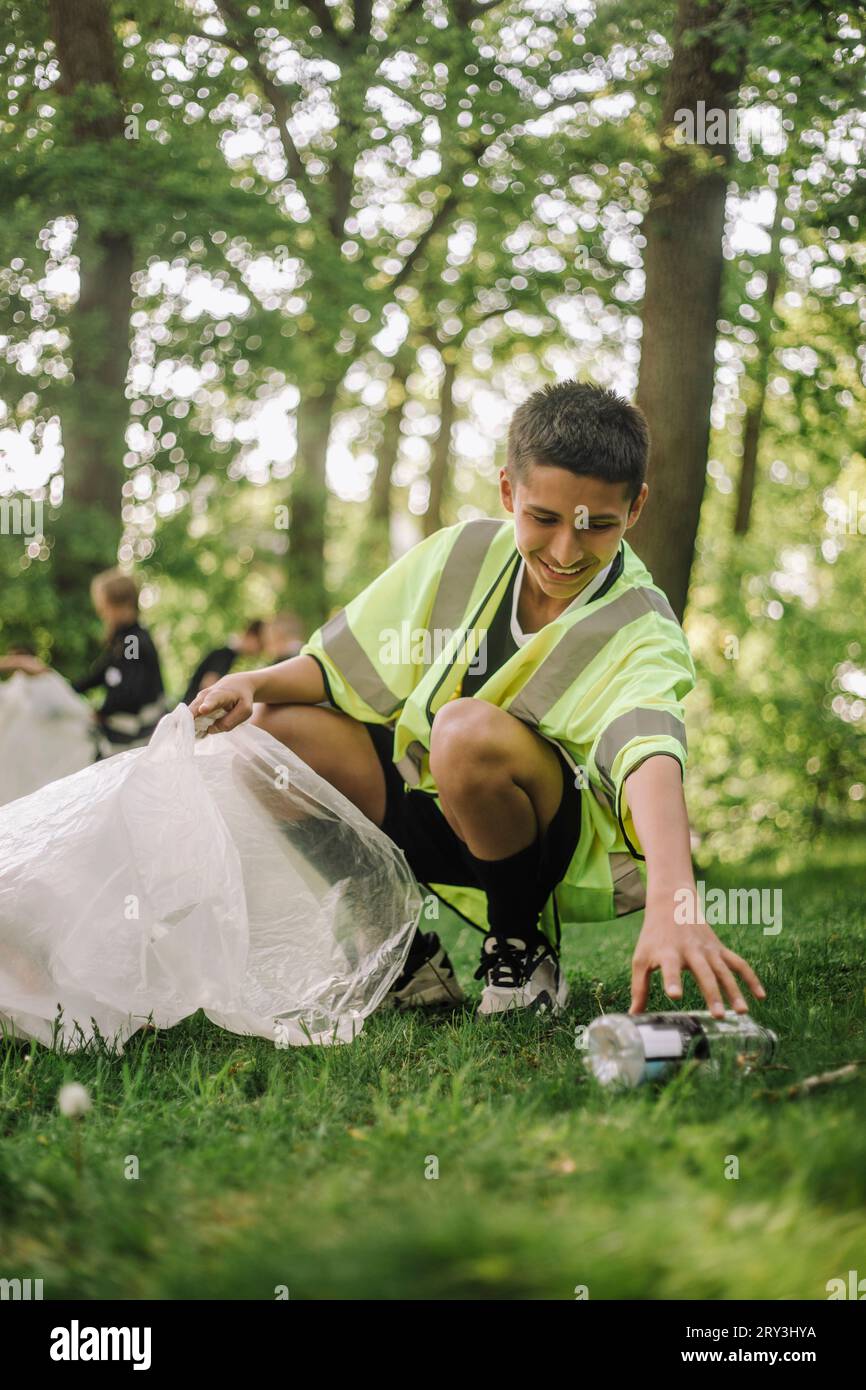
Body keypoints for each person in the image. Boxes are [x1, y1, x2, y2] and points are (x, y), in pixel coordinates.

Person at [190, 381, 766, 1021]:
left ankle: (520, 944)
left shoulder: (642, 628)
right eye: (542, 519)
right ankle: (399, 954)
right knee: (271, 732)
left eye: (596, 526)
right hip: (427, 802)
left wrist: (673, 898)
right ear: (507, 493)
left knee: (461, 730)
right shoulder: (460, 555)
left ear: (635, 509)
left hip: (542, 835)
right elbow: (335, 670)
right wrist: (251, 684)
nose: (564, 552)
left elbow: (649, 754)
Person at [69, 569, 167, 757]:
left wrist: (103, 712)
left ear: (122, 605)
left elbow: (129, 687)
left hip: (139, 733)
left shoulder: (132, 641)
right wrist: (68, 689)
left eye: (104, 606)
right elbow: (100, 673)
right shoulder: (123, 640)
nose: (101, 613)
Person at [182, 620, 266, 706]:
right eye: (260, 644)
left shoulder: (229, 656)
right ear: (251, 636)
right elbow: (208, 685)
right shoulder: (224, 656)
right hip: (192, 708)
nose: (260, 651)